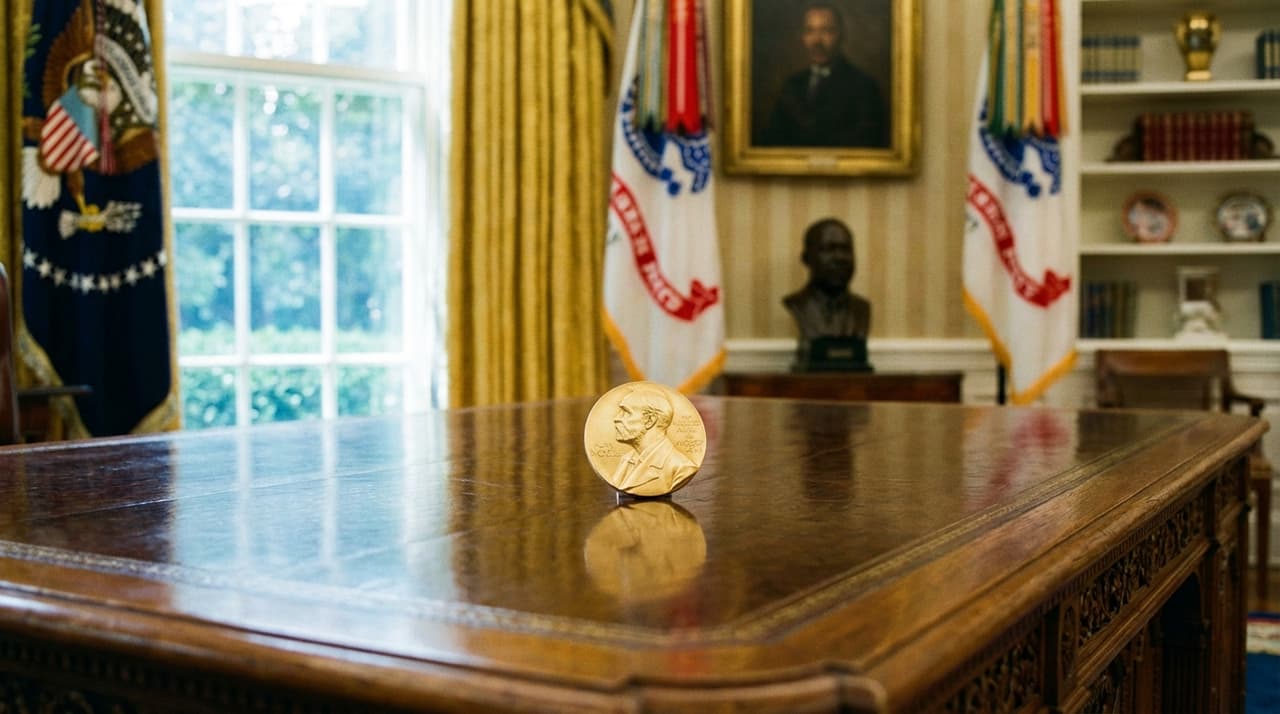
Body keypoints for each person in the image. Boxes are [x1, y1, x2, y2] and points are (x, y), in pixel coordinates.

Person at [759, 3, 889, 148]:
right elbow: (772, 141)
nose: (817, 41)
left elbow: (867, 145)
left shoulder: (864, 86)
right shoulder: (792, 85)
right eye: (810, 31)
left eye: (827, 31)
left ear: (841, 35)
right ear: (803, 37)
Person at [783, 218, 871, 344]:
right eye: (828, 249)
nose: (839, 258)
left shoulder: (862, 309)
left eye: (845, 249)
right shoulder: (797, 305)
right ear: (806, 258)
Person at [608, 387, 697, 497]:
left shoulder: (682, 468)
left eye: (626, 412)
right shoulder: (626, 460)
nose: (616, 418)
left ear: (650, 420)